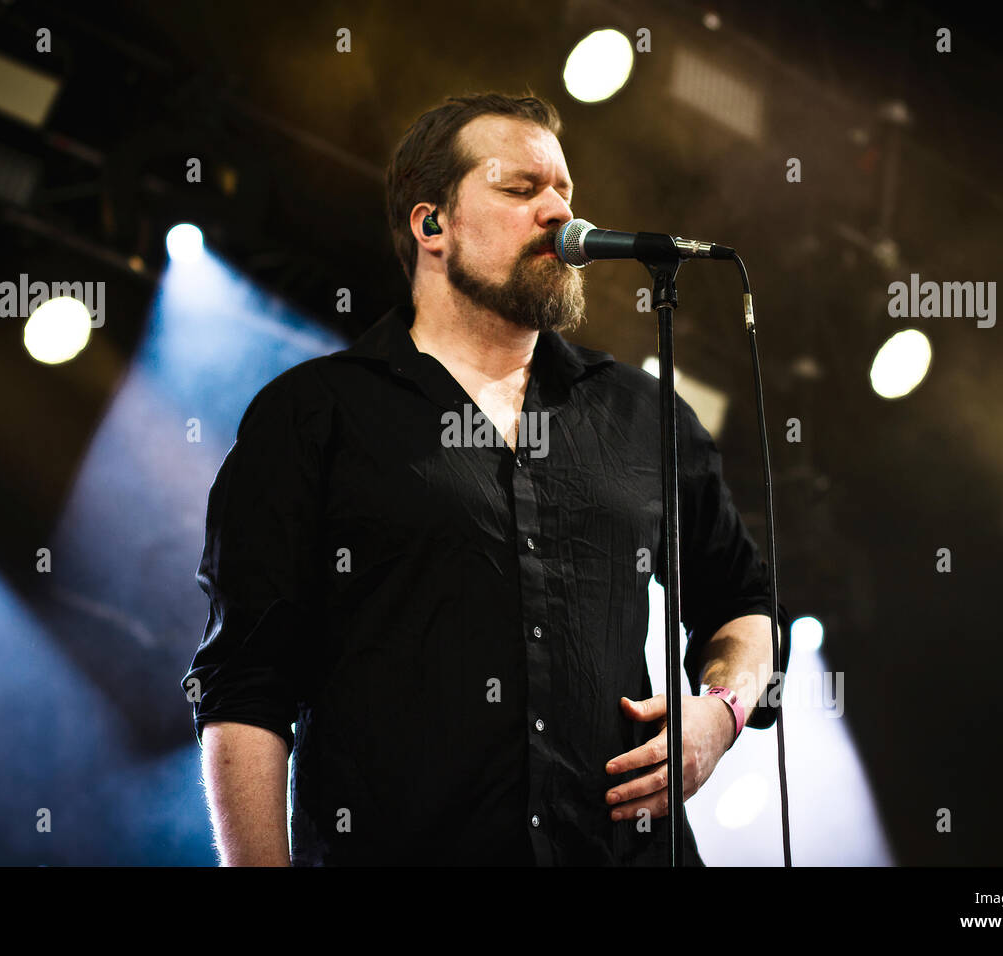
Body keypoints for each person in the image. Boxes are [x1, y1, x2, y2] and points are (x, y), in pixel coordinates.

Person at [180, 91, 789, 866]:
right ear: (433, 224)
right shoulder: (313, 414)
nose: (558, 212)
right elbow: (243, 686)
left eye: (563, 189)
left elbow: (745, 603)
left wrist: (724, 711)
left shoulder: (642, 413)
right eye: (521, 188)